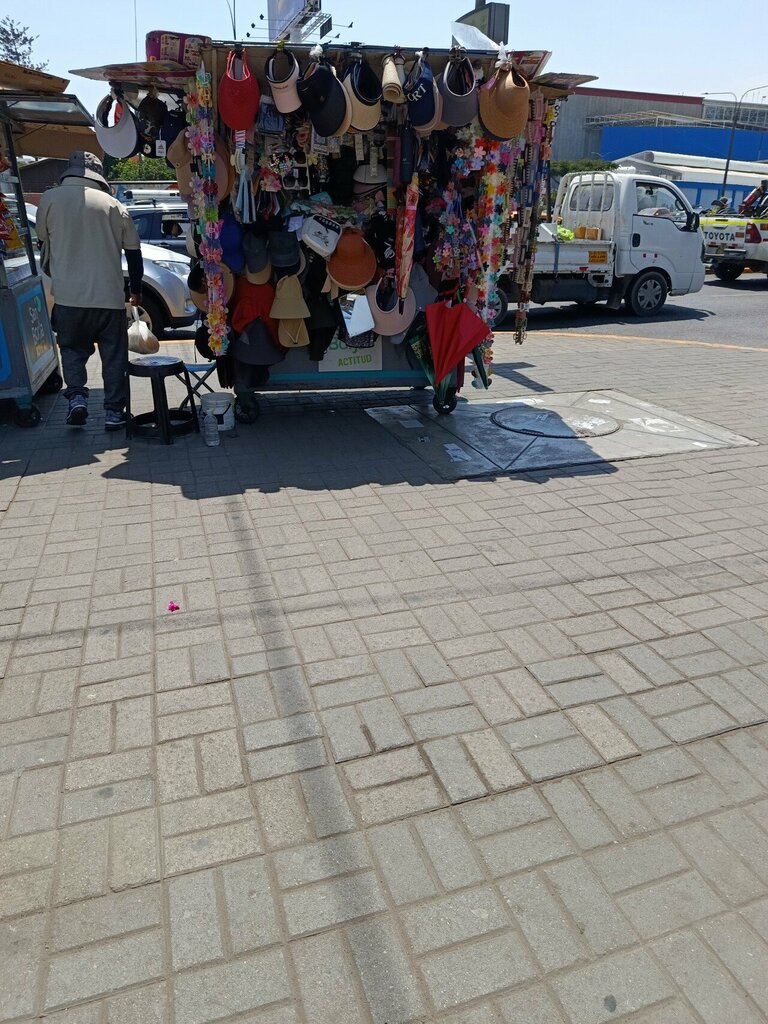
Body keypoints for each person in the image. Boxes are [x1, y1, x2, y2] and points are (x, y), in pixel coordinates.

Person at [36, 151, 143, 431]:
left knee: (72, 350)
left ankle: (77, 400)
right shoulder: (114, 205)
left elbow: (42, 240)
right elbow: (134, 254)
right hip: (109, 298)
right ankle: (113, 413)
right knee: (114, 357)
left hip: (69, 298)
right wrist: (135, 291)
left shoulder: (50, 199)